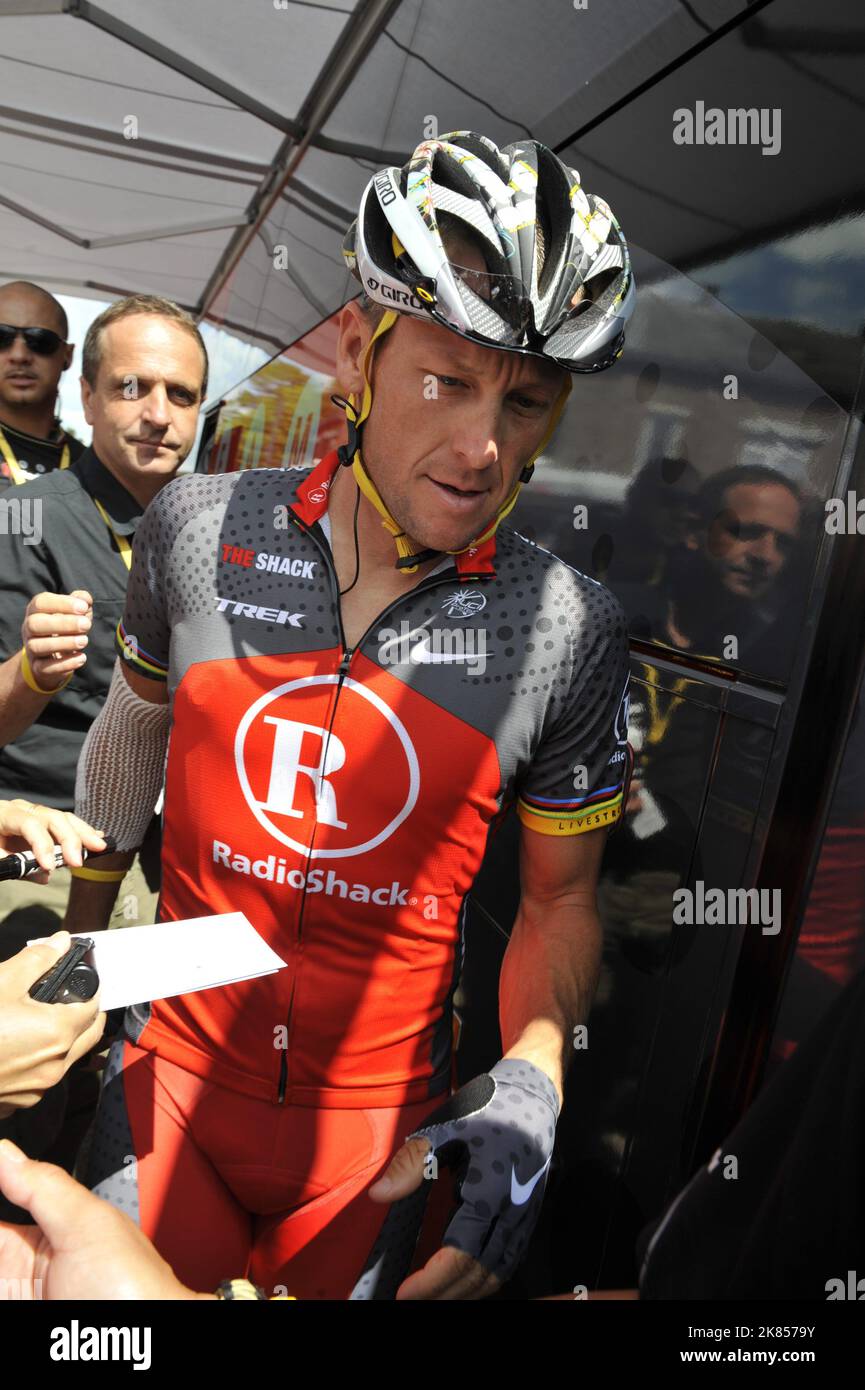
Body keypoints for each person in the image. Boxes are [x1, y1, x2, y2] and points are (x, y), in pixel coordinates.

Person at [70, 129, 636, 1301]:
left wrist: (535, 1071)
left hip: (379, 1139)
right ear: (355, 354)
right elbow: (129, 738)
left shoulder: (567, 625)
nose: (483, 447)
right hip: (168, 1075)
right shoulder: (197, 524)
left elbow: (559, 901)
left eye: (527, 401)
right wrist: (81, 963)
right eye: (448, 380)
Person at [0, 293, 208, 938]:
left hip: (181, 849)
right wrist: (34, 671)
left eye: (180, 394)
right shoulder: (26, 520)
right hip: (54, 844)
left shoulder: (224, 528)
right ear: (87, 398)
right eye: (131, 388)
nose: (157, 414)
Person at [0, 281, 84, 487]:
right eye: (1, 338)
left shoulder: (93, 469)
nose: (19, 356)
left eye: (40, 341)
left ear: (67, 355)